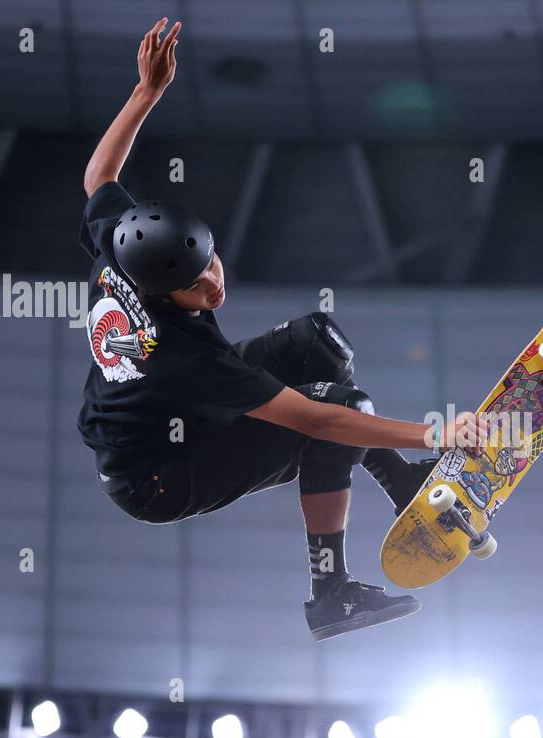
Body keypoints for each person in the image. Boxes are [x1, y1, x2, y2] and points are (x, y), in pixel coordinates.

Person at [76, 19, 481, 641]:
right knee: (337, 408)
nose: (215, 285)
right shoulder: (183, 356)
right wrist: (435, 434)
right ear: (160, 292)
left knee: (318, 342)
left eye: (212, 262)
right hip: (158, 476)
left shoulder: (120, 240)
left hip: (155, 417)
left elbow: (98, 179)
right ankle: (331, 594)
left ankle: (402, 486)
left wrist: (145, 93)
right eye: (198, 288)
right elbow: (317, 420)